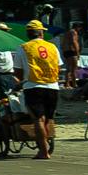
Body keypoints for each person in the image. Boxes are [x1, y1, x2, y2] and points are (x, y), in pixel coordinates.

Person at [21, 19, 65, 161]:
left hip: (33, 86)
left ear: (28, 34)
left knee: (38, 119)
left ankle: (44, 151)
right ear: (41, 32)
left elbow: (17, 71)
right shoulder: (52, 47)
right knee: (48, 119)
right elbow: (58, 67)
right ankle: (46, 144)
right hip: (53, 86)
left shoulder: (23, 47)